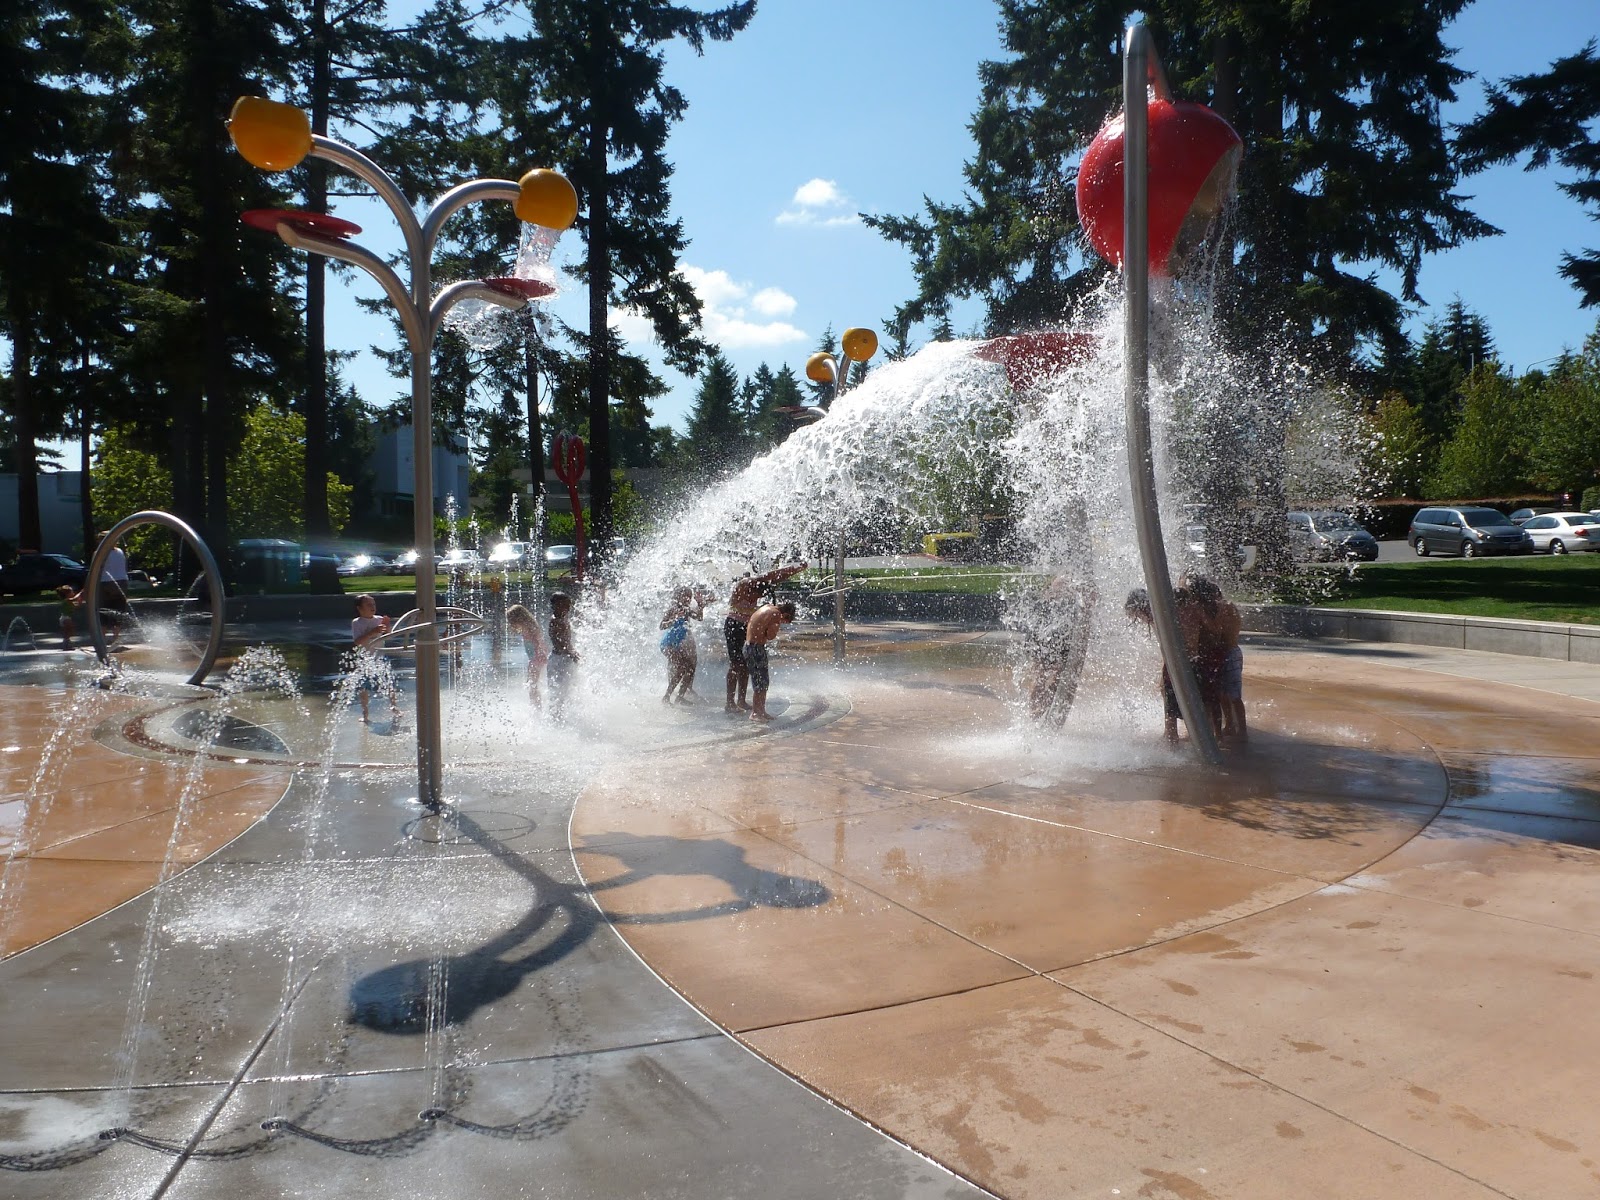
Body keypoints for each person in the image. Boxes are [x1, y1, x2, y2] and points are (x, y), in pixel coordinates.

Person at [724, 561, 807, 712]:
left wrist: (795, 571)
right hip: (733, 625)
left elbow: (775, 579)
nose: (758, 598)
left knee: (746, 666)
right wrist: (794, 568)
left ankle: (741, 701)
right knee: (735, 664)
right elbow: (772, 576)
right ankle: (730, 702)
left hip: (745, 626)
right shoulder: (746, 583)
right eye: (759, 594)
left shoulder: (758, 588)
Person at [1182, 573, 1246, 743]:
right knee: (1221, 695)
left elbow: (1217, 631)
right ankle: (1230, 726)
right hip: (1225, 654)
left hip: (1230, 654)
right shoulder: (1222, 607)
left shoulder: (1225, 607)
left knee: (1233, 696)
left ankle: (1241, 732)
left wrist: (1202, 615)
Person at [742, 600, 797, 722]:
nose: (782, 623)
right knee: (760, 681)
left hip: (750, 646)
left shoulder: (767, 607)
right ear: (786, 614)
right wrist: (776, 627)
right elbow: (770, 636)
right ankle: (756, 713)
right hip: (755, 648)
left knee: (762, 681)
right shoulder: (775, 614)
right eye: (785, 621)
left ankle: (761, 711)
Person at [350, 593, 399, 725]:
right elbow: (358, 641)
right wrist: (372, 632)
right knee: (363, 687)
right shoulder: (357, 623)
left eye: (374, 604)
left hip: (380, 657)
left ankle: (394, 707)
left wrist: (388, 628)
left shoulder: (378, 619)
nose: (372, 607)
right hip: (365, 659)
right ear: (359, 608)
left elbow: (388, 636)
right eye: (368, 605)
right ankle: (365, 713)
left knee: (389, 684)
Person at [658, 585, 706, 704]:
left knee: (689, 668)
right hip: (668, 644)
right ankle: (667, 697)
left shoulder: (686, 609)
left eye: (690, 597)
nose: (688, 599)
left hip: (677, 644)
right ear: (678, 596)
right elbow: (662, 625)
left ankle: (680, 696)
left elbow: (699, 618)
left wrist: (701, 606)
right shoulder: (673, 609)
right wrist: (674, 620)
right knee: (681, 668)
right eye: (685, 596)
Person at [505, 603, 550, 709]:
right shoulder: (528, 626)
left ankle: (537, 709)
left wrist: (541, 654)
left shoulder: (530, 628)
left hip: (537, 659)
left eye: (511, 620)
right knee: (532, 686)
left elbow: (539, 642)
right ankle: (536, 707)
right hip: (535, 659)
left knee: (532, 686)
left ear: (518, 618)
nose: (511, 624)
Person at [546, 590, 579, 720]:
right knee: (558, 691)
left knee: (565, 689)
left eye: (570, 604)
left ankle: (561, 717)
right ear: (557, 605)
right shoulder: (555, 621)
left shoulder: (562, 618)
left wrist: (573, 652)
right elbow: (559, 643)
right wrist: (570, 653)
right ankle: (555, 717)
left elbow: (566, 641)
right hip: (558, 660)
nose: (569, 607)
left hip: (563, 658)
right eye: (566, 604)